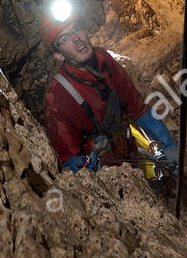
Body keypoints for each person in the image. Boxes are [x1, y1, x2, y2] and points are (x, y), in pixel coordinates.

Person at [41, 11, 178, 173]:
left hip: (128, 151)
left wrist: (168, 147)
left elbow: (137, 107)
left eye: (76, 29)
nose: (76, 38)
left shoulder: (103, 59)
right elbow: (67, 158)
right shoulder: (57, 98)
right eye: (64, 39)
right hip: (106, 174)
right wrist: (80, 167)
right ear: (58, 54)